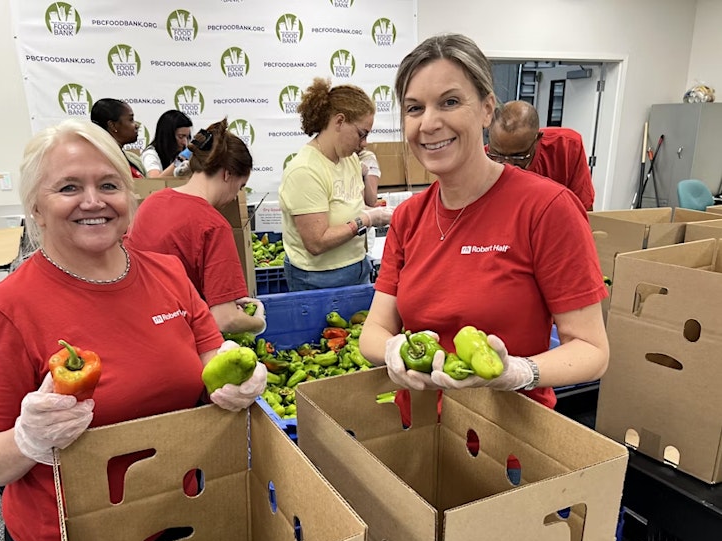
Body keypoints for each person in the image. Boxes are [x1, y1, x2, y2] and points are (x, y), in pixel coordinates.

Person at [0, 118, 266, 541]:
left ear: (130, 193)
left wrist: (234, 378)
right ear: (35, 204)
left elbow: (210, 356)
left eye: (108, 184)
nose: (93, 201)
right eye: (69, 187)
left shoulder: (167, 274)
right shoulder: (6, 308)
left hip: (182, 514)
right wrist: (27, 440)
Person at [359, 33, 609, 410]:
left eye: (450, 101)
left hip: (508, 439)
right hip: (421, 431)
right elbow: (374, 330)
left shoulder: (547, 208)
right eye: (414, 108)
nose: (429, 123)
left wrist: (522, 371)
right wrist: (392, 348)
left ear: (487, 109)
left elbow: (591, 350)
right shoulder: (409, 217)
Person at [126, 118, 266, 335]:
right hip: (179, 338)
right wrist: (258, 322)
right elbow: (225, 320)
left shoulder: (153, 201)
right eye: (240, 186)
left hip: (136, 325)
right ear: (227, 174)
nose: (235, 195)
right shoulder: (214, 225)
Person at [278, 77, 393, 291]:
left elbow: (351, 206)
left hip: (358, 267)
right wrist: (366, 219)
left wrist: (375, 210)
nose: (364, 143)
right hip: (319, 280)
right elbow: (316, 242)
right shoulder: (305, 170)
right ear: (339, 121)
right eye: (361, 134)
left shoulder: (349, 160)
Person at [487, 100, 595, 213]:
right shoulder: (481, 161)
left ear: (537, 139)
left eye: (518, 157)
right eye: (498, 154)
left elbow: (584, 210)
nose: (508, 165)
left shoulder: (566, 146)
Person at [90, 98, 146, 178]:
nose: (137, 125)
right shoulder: (94, 161)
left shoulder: (134, 159)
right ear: (113, 126)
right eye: (131, 120)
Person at [142, 109, 194, 178]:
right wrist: (181, 159)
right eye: (181, 137)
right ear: (167, 136)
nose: (185, 142)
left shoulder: (176, 153)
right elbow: (155, 182)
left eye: (187, 138)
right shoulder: (150, 155)